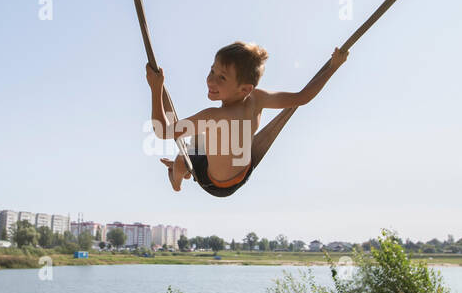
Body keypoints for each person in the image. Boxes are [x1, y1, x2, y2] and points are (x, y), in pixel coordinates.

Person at [146, 40, 348, 196]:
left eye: (221, 77)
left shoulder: (213, 117)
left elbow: (162, 131)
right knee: (196, 141)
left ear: (244, 89)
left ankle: (176, 180)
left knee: (182, 159)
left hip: (216, 184)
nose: (210, 79)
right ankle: (187, 168)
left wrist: (156, 90)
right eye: (212, 70)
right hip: (245, 169)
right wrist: (334, 67)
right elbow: (302, 98)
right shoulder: (257, 99)